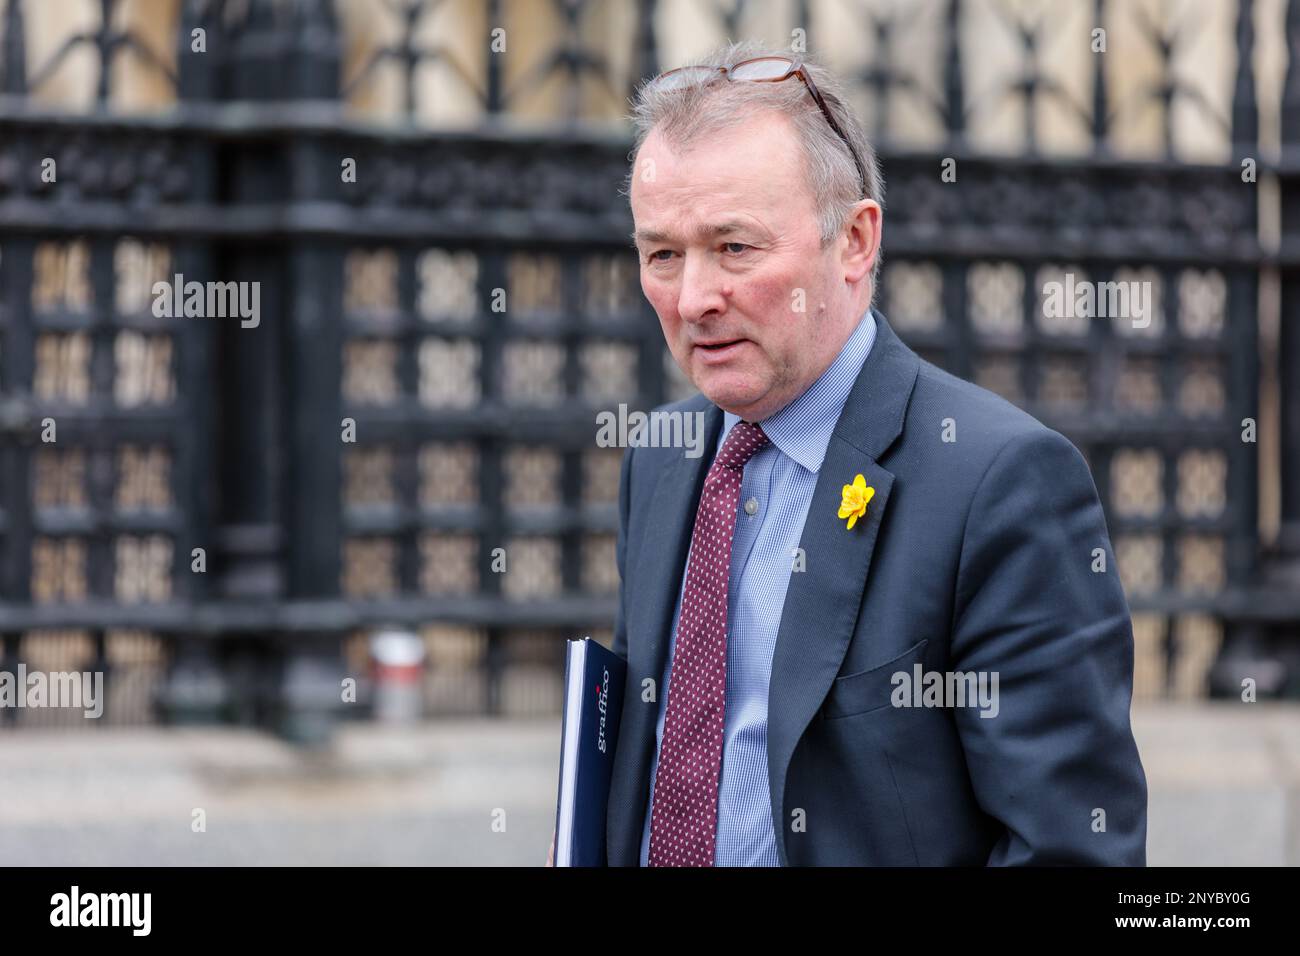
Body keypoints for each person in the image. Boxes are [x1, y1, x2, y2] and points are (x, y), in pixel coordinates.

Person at [563, 40, 1146, 867]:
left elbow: (1071, 849)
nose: (693, 298)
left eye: (735, 247)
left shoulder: (1002, 483)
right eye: (662, 254)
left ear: (856, 242)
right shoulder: (660, 461)